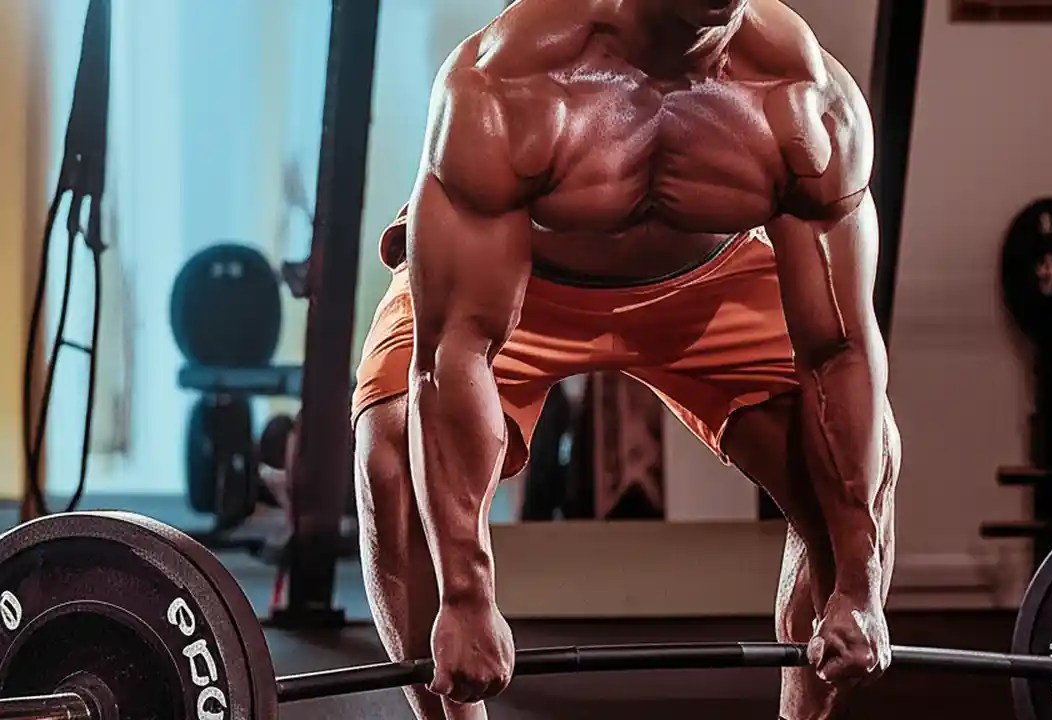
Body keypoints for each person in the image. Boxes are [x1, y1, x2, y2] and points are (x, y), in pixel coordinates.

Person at [350, 0, 902, 717]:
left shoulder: (802, 99)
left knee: (857, 469)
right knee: (390, 452)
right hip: (521, 277)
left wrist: (859, 586)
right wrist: (464, 593)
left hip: (710, 278)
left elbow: (841, 352)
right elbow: (453, 351)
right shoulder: (505, 82)